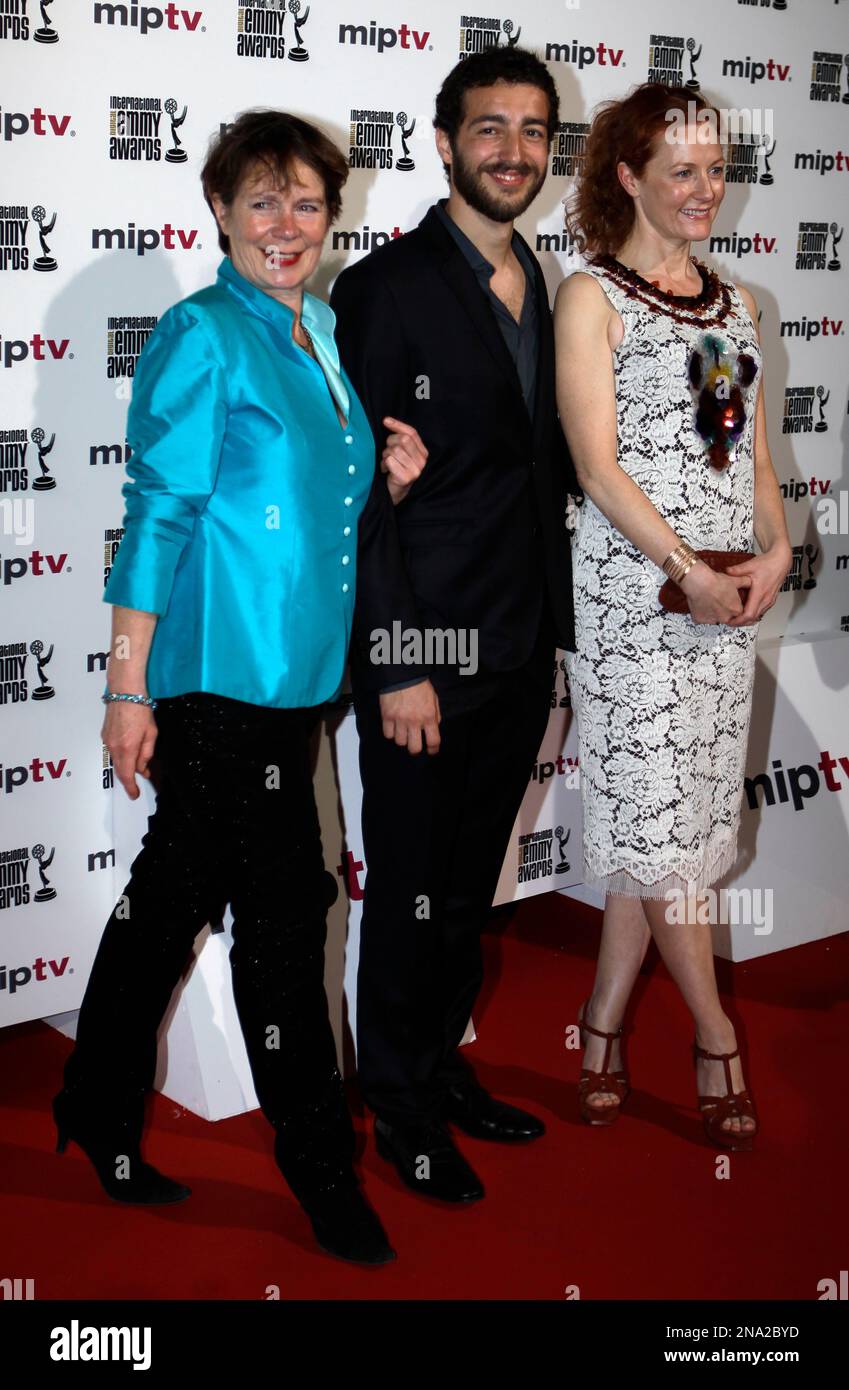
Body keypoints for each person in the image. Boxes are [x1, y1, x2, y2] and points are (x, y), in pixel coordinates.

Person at [53, 109, 427, 1264]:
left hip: (299, 672)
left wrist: (388, 481)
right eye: (261, 199)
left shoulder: (315, 322)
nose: (286, 222)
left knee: (173, 894)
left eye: (307, 202)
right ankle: (317, 1163)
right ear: (218, 209)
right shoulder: (202, 332)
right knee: (284, 920)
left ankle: (95, 1106)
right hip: (219, 680)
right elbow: (158, 513)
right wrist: (128, 690)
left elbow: (304, 507)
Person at [330, 48, 576, 1203]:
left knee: (466, 889)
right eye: (491, 129)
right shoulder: (385, 288)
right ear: (443, 142)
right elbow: (359, 497)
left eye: (533, 131)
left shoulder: (546, 277)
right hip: (424, 654)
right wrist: (395, 663)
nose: (514, 151)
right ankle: (400, 1107)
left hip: (520, 649)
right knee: (415, 885)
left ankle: (440, 1067)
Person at [554, 84, 792, 1149]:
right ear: (627, 174)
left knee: (672, 834)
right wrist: (687, 568)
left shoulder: (733, 303)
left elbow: (742, 452)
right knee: (657, 822)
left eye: (715, 167)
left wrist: (776, 546)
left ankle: (601, 1020)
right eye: (681, 168)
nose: (704, 188)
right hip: (632, 601)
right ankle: (712, 1032)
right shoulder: (590, 297)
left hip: (721, 597)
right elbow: (599, 470)